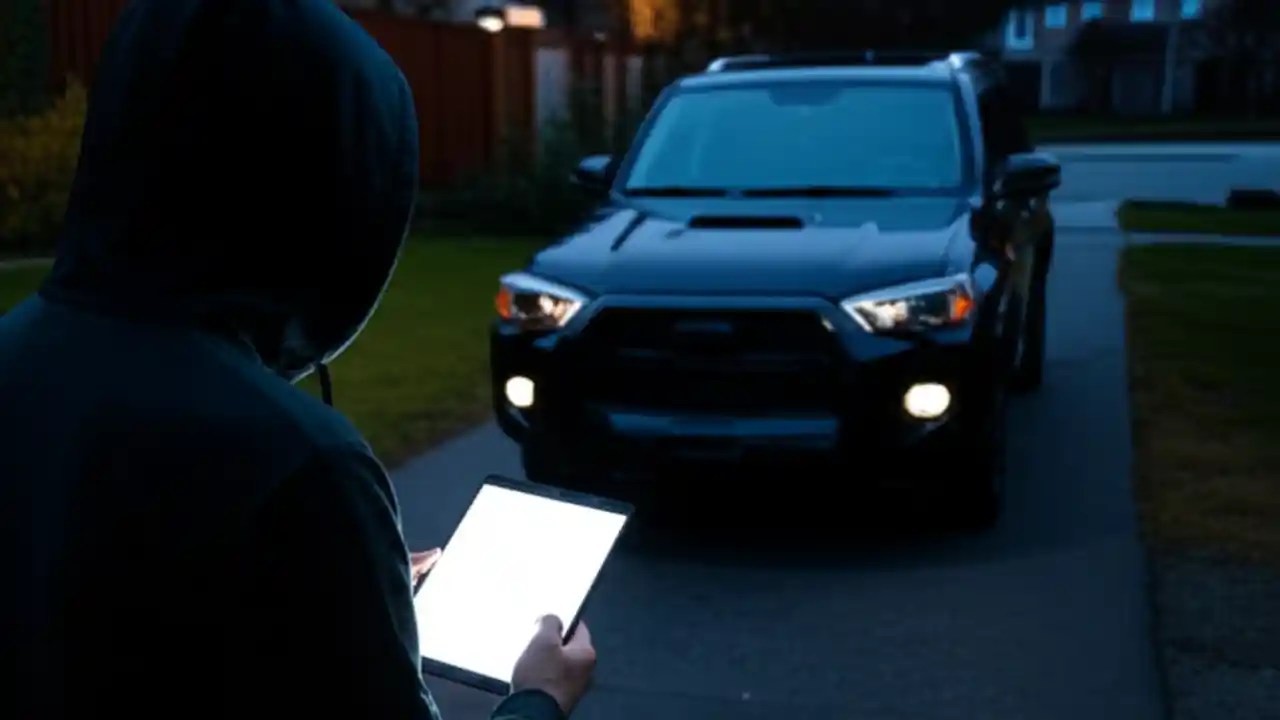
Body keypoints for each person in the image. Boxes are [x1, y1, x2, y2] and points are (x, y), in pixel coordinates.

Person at [0, 1, 595, 718]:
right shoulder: (298, 467)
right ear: (334, 190)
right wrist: (537, 697)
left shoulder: (17, 356)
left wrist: (347, 584)